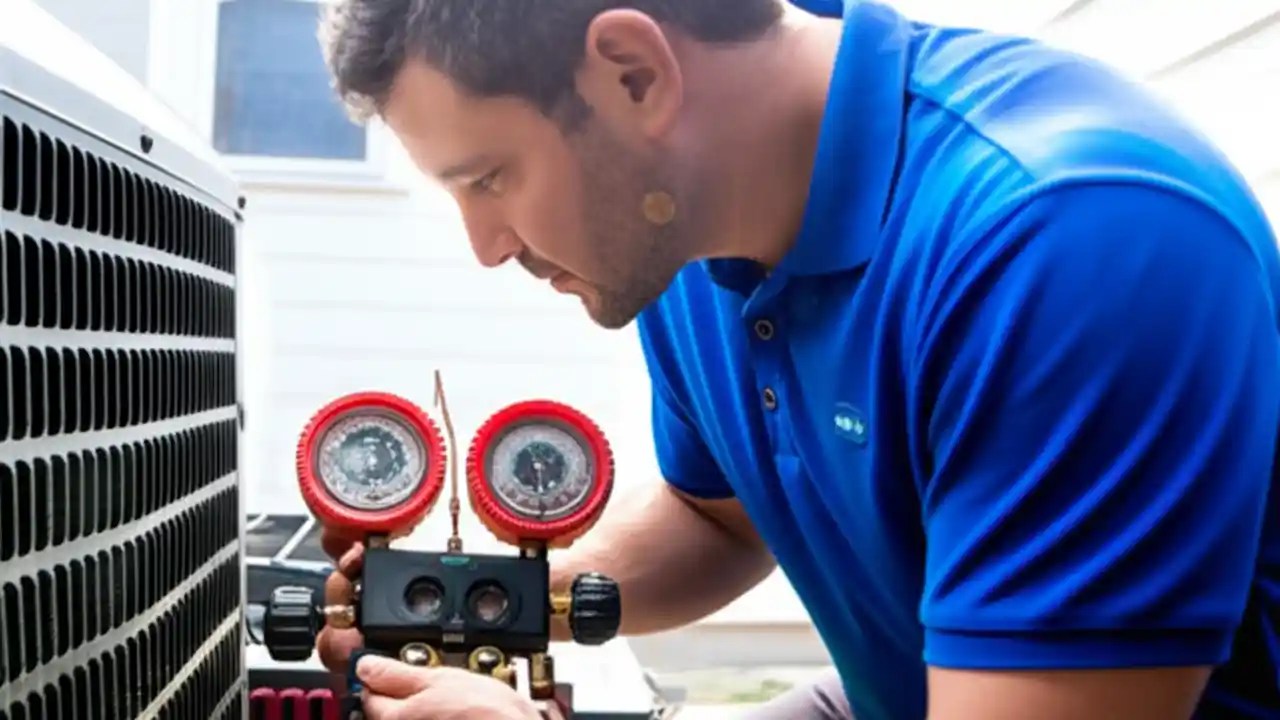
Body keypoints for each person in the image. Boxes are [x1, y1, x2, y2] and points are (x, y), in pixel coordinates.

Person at [313, 0, 1280, 717]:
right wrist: (490, 605)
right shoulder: (680, 229)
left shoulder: (1074, 242)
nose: (486, 245)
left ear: (633, 75)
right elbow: (719, 522)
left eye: (489, 178)